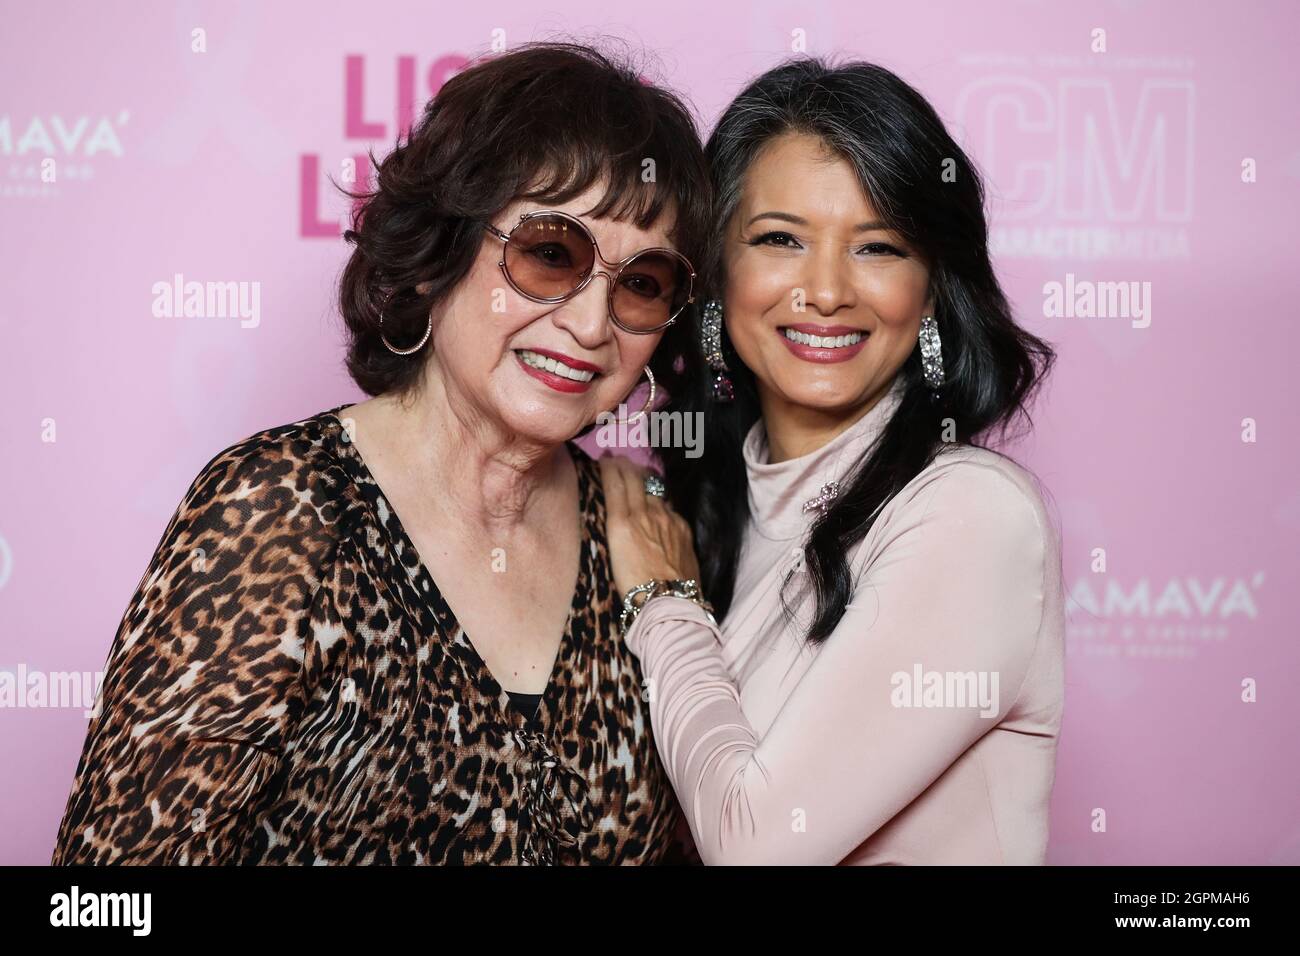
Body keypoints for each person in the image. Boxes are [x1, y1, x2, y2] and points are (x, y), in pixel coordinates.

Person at [52, 42, 710, 865]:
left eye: (641, 283)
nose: (590, 324)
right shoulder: (280, 511)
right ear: (443, 250)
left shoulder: (638, 533)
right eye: (551, 254)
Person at [601, 57, 1065, 865]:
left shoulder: (971, 515)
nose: (824, 291)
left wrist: (663, 600)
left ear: (930, 291)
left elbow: (760, 848)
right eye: (780, 239)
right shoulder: (714, 513)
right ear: (714, 274)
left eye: (877, 248)